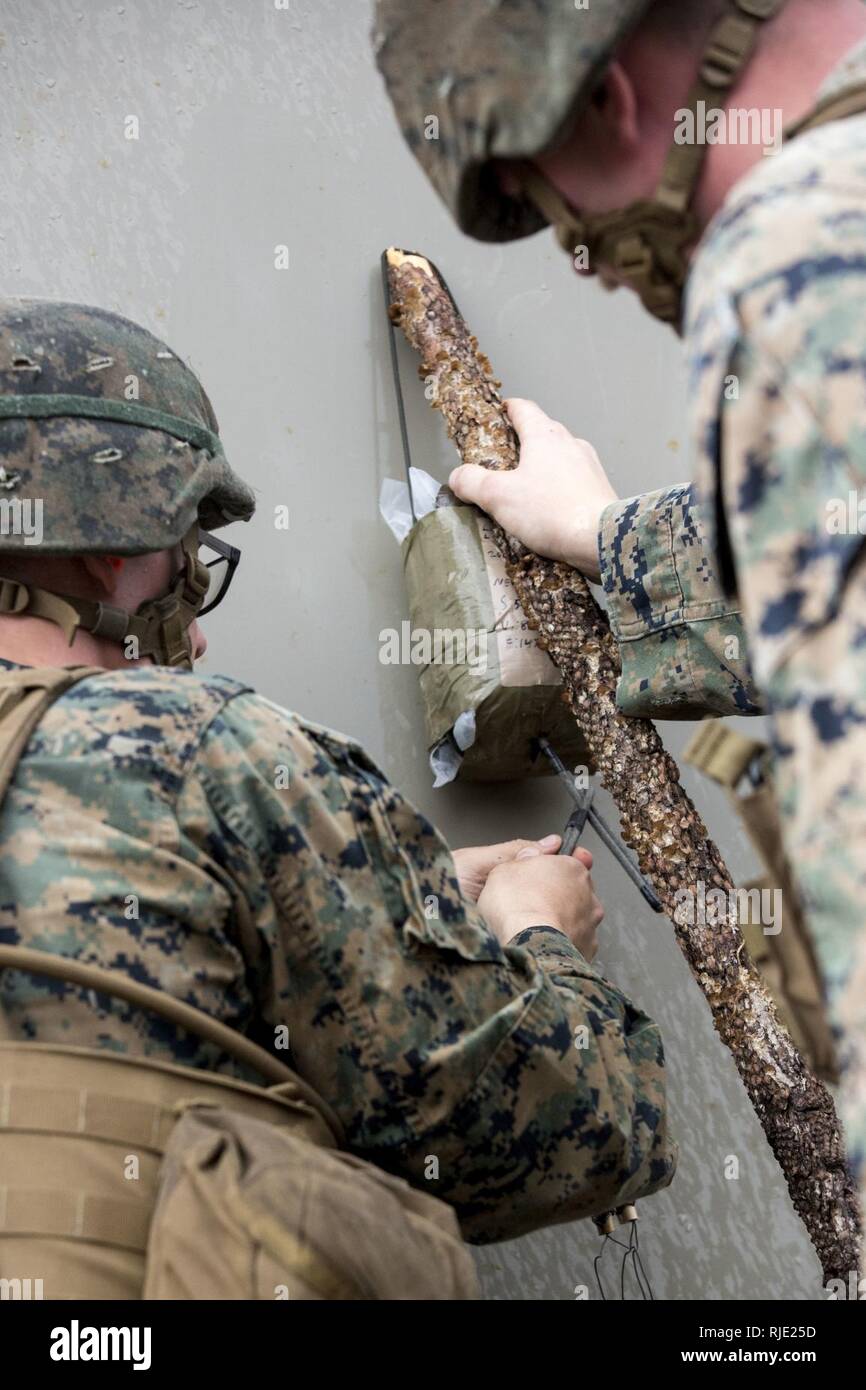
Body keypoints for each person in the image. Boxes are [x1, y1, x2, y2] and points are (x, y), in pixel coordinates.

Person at [0, 297, 675, 1297]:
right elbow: (568, 1128)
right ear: (118, 547)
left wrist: (390, 899)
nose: (195, 633)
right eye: (187, 560)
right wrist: (537, 936)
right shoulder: (207, 759)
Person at [374, 0, 866, 1217]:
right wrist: (610, 542)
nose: (595, 268)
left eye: (560, 217)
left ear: (600, 103)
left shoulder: (795, 257)